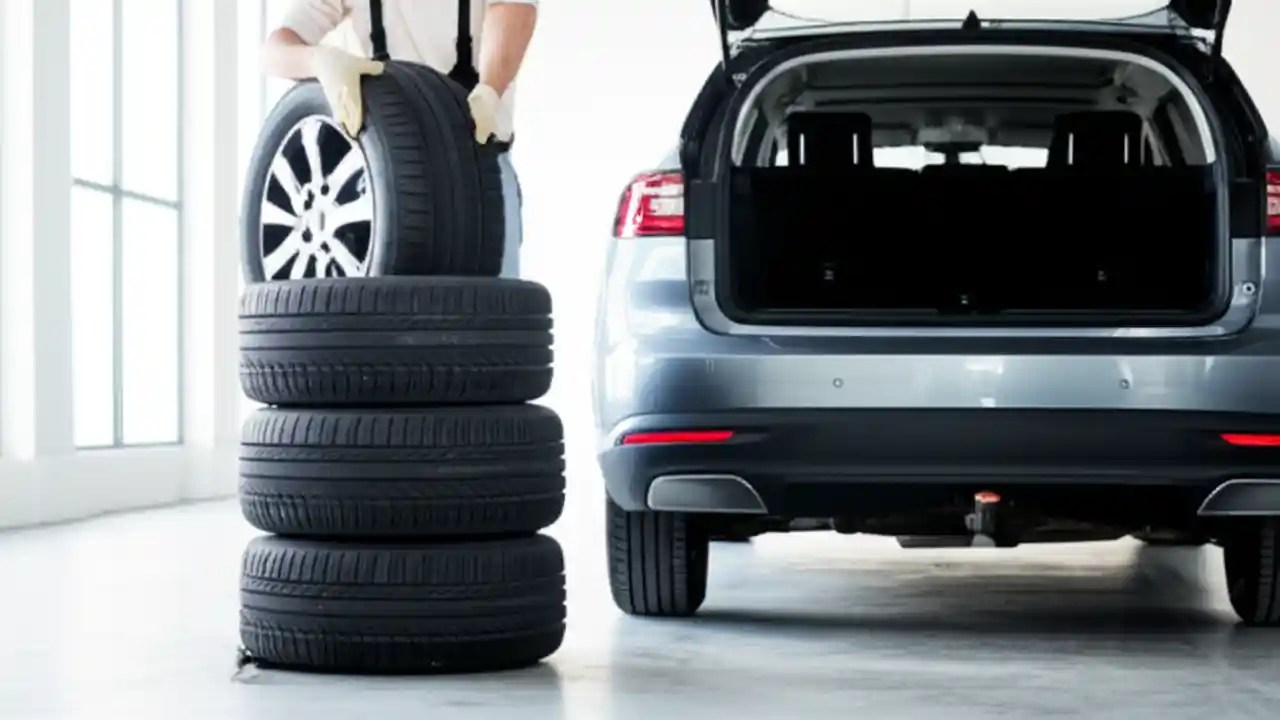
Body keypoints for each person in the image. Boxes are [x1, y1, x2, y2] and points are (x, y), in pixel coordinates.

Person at [262, 0, 538, 279]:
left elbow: (513, 8)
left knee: (487, 301)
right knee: (374, 302)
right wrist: (318, 60)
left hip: (477, 171)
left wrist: (489, 90)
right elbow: (274, 51)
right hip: (381, 181)